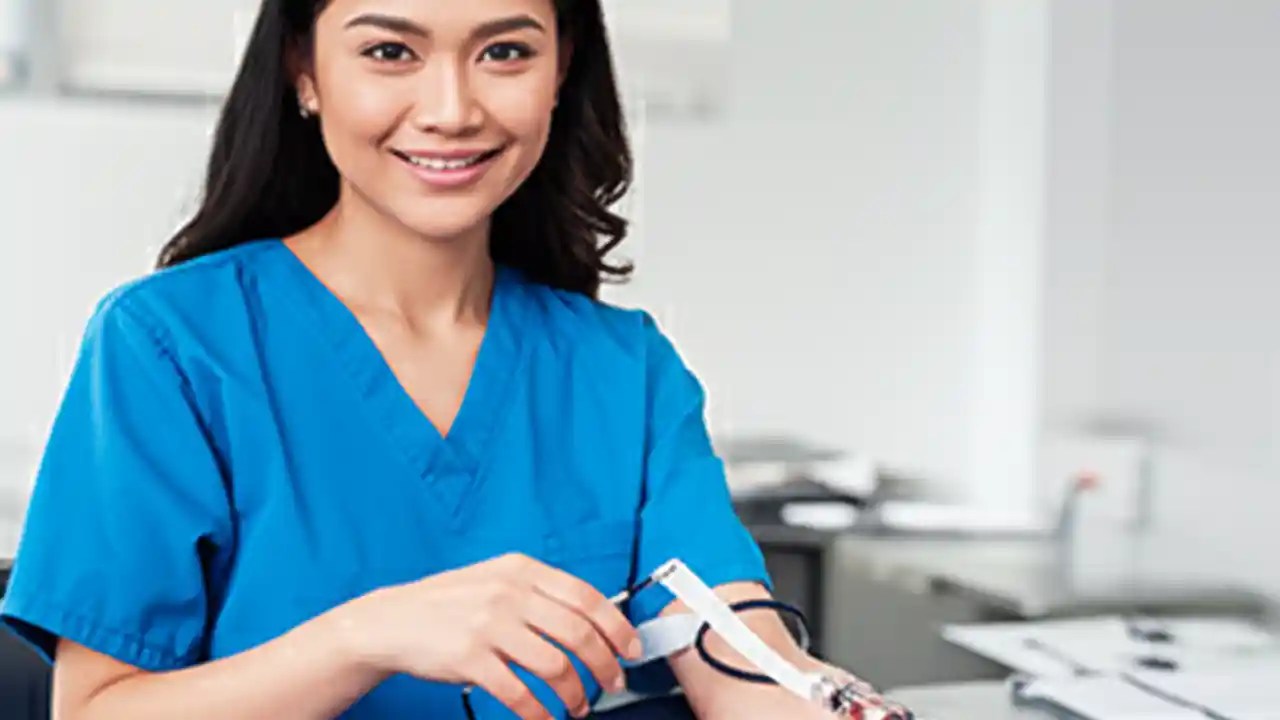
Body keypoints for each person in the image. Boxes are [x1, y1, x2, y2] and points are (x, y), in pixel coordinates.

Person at [0, 1, 884, 718]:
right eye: (390, 51)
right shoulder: (170, 346)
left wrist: (816, 700)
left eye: (505, 52)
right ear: (304, 70)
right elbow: (97, 712)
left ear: (561, 70)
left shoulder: (627, 373)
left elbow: (736, 654)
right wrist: (367, 637)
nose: (453, 109)